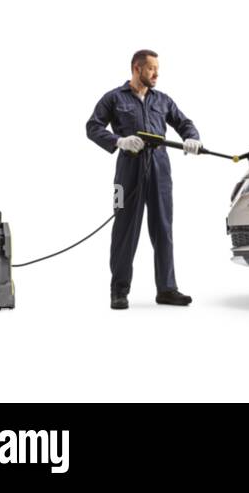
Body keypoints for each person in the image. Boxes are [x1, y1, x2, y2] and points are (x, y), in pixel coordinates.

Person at [86, 50, 203, 309]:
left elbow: (184, 123)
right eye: (151, 69)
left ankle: (167, 289)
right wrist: (118, 141)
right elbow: (92, 127)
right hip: (128, 169)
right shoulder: (114, 98)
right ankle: (119, 290)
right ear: (137, 69)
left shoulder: (162, 100)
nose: (156, 74)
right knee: (125, 229)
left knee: (163, 228)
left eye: (157, 69)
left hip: (160, 169)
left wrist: (191, 138)